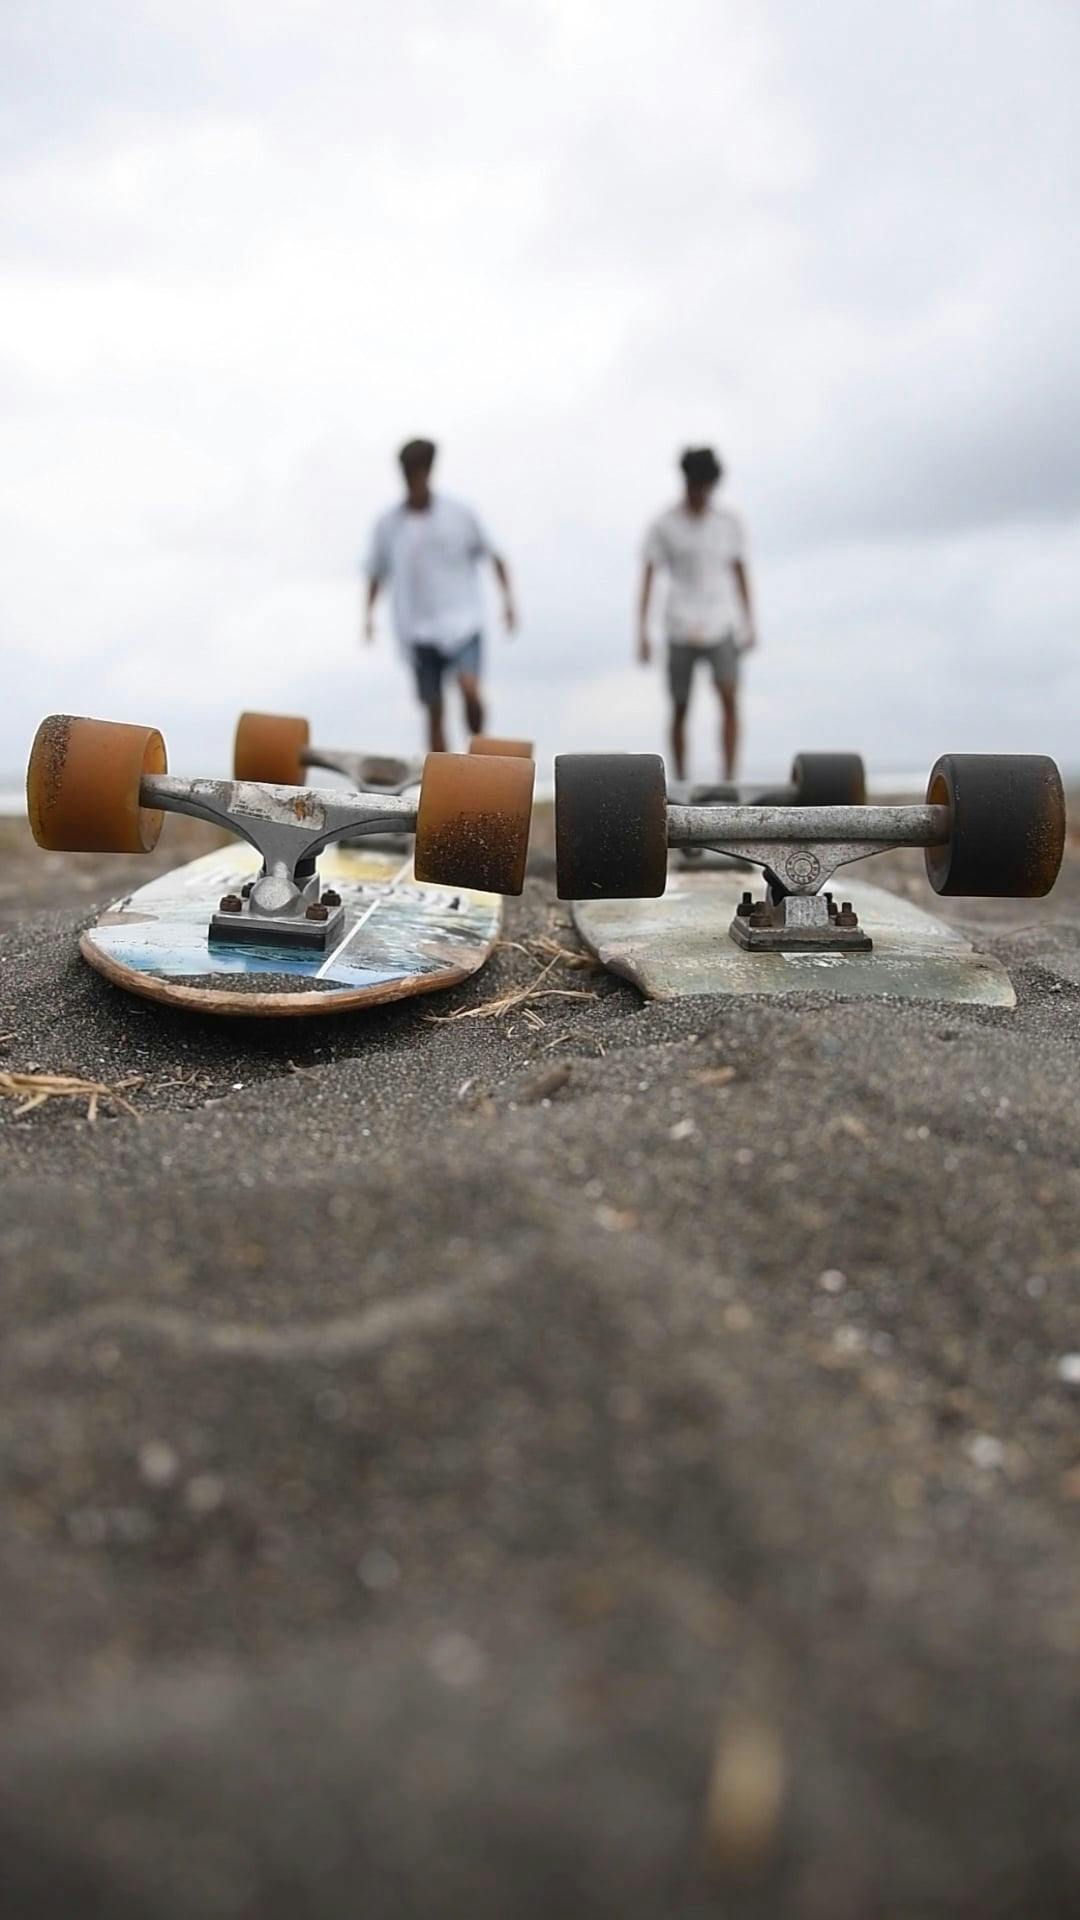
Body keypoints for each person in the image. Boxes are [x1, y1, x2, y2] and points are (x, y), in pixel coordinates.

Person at [363, 439, 517, 751]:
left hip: (463, 620)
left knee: (469, 688)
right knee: (433, 709)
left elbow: (495, 556)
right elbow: (376, 572)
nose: (412, 480)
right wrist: (367, 616)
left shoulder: (459, 513)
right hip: (417, 629)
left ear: (428, 472)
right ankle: (444, 782)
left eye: (417, 473)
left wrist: (508, 602)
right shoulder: (389, 524)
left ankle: (480, 752)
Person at [638, 446, 757, 783]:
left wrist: (750, 622)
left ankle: (730, 777)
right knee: (679, 705)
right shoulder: (664, 524)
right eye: (695, 485)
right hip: (679, 623)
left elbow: (740, 572)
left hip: (722, 620)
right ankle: (680, 778)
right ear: (686, 482)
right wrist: (642, 632)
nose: (700, 493)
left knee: (729, 695)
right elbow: (648, 576)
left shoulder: (728, 523)